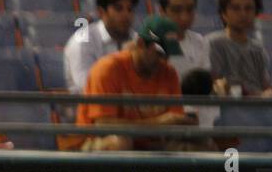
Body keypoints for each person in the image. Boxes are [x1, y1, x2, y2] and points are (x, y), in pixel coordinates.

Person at [73, 16, 202, 151]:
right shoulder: (107, 69)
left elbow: (173, 121)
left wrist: (185, 123)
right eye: (159, 53)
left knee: (200, 143)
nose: (163, 60)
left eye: (167, 54)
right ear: (141, 43)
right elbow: (103, 125)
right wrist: (158, 123)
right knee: (120, 142)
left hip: (149, 143)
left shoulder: (168, 72)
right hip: (93, 142)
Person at [64, 0, 140, 93]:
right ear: (101, 12)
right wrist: (121, 58)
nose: (126, 15)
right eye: (119, 8)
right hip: (90, 107)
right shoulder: (83, 41)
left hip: (129, 107)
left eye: (130, 9)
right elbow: (88, 86)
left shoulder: (138, 40)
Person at [207, 0, 272, 96]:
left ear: (255, 13)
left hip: (259, 109)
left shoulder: (257, 49)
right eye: (235, 8)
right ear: (224, 13)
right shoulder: (213, 44)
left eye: (248, 8)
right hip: (227, 109)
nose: (243, 14)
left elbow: (266, 87)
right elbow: (215, 86)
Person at [161, 0, 212, 78]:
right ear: (162, 12)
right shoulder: (150, 43)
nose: (184, 17)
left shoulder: (201, 42)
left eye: (189, 9)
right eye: (176, 10)